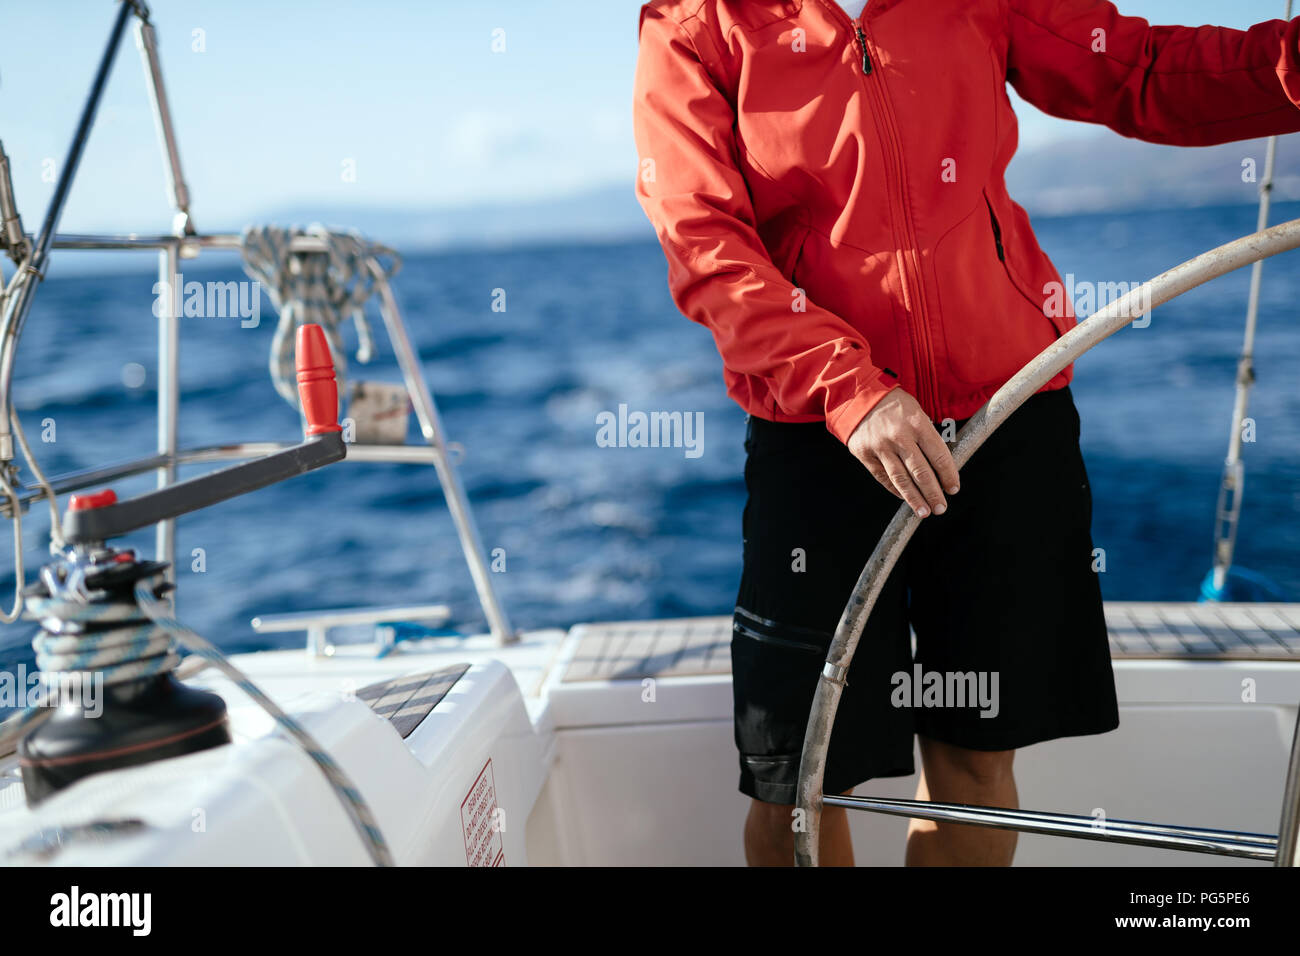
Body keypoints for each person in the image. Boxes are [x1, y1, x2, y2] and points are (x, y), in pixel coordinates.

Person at [632, 0, 1300, 866]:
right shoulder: (693, 21)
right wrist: (848, 389)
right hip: (817, 429)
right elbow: (699, 235)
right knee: (800, 781)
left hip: (1006, 413)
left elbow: (1134, 71)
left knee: (977, 768)